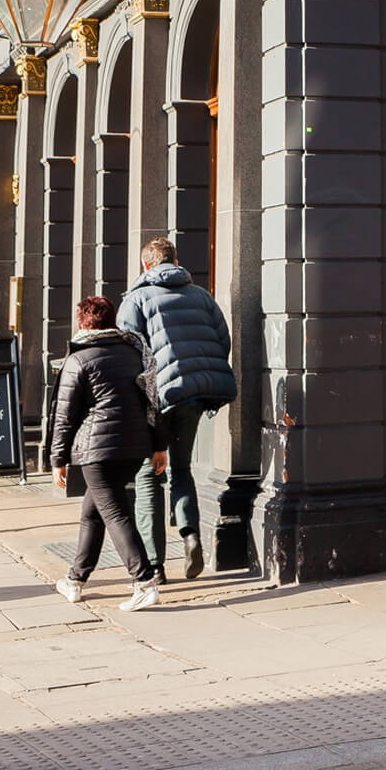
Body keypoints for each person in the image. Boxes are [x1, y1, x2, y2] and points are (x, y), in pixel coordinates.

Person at [119, 237, 234, 583]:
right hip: (195, 396)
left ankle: (154, 565)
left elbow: (129, 354)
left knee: (148, 474)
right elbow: (222, 340)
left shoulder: (136, 298)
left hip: (158, 401)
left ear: (146, 265)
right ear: (175, 260)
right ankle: (191, 537)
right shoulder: (201, 296)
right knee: (181, 469)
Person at [50, 295, 162, 612]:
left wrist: (58, 459)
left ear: (82, 321)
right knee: (93, 512)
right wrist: (158, 445)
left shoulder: (78, 360)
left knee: (114, 513)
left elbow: (65, 416)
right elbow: (152, 402)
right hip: (134, 446)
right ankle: (75, 580)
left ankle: (144, 582)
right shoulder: (134, 352)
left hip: (96, 451)